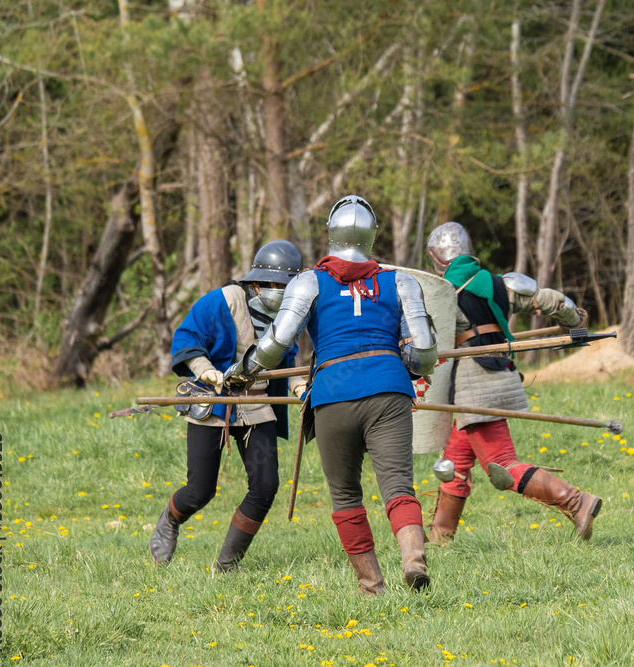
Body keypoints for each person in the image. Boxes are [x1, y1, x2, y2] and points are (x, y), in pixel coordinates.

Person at [224, 195, 438, 594]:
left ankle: (371, 585)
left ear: (331, 233)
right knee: (398, 486)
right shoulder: (400, 281)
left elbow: (277, 342)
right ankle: (413, 558)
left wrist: (241, 372)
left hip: (332, 394)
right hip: (388, 391)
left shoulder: (309, 281)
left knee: (344, 493)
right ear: (372, 234)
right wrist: (405, 364)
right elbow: (424, 353)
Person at [424, 221, 602, 544]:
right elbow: (551, 301)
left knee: (503, 465)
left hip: (474, 386)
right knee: (455, 460)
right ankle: (440, 538)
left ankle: (577, 502)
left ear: (436, 260)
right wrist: (575, 323)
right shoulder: (496, 284)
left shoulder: (441, 294)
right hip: (501, 377)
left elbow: (424, 340)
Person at [149, 240, 308, 572]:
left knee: (266, 486)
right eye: (275, 284)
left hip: (257, 405)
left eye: (286, 285)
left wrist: (299, 385)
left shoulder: (290, 313)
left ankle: (227, 564)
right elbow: (187, 338)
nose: (280, 291)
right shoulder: (222, 301)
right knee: (200, 491)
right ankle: (170, 520)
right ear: (257, 281)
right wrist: (205, 370)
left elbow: (289, 359)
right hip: (213, 403)